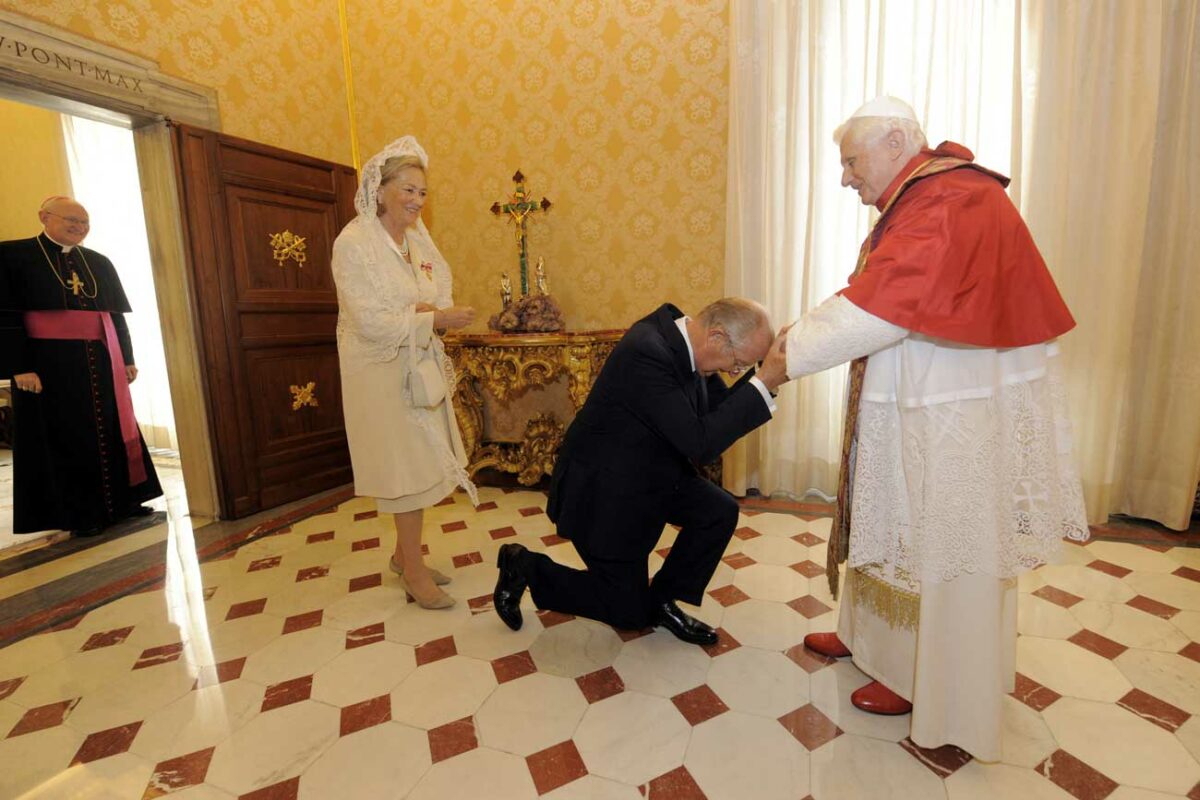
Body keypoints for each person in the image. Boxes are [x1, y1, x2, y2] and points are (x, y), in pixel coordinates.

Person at [784, 97, 1087, 760]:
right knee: (893, 517)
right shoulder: (925, 195)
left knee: (939, 532)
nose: (844, 178)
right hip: (913, 394)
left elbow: (880, 306)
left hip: (951, 407)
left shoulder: (949, 198)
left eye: (850, 161)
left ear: (895, 141)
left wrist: (783, 355)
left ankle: (934, 688)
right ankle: (871, 643)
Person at [492, 298, 789, 645]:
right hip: (603, 491)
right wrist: (762, 380)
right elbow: (700, 443)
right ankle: (524, 565)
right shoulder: (647, 353)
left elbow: (719, 411)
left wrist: (766, 378)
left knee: (717, 510)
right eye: (738, 363)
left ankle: (663, 600)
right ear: (718, 337)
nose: (735, 372)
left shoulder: (691, 345)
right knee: (629, 614)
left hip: (652, 473)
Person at [332, 136, 477, 610]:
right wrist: (431, 317)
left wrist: (428, 310)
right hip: (378, 375)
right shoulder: (353, 244)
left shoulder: (415, 240)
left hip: (416, 366)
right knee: (404, 472)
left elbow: (437, 286)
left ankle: (403, 554)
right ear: (379, 189)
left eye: (422, 193)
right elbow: (368, 319)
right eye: (407, 190)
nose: (416, 201)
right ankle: (413, 572)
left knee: (423, 464)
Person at [0, 196, 163, 537]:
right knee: (66, 436)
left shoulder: (98, 262)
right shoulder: (12, 255)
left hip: (101, 360)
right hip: (47, 366)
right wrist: (19, 367)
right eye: (71, 219)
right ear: (44, 216)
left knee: (114, 426)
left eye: (84, 222)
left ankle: (125, 501)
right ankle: (80, 513)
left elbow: (114, 315)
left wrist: (127, 358)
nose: (79, 227)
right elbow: (6, 317)